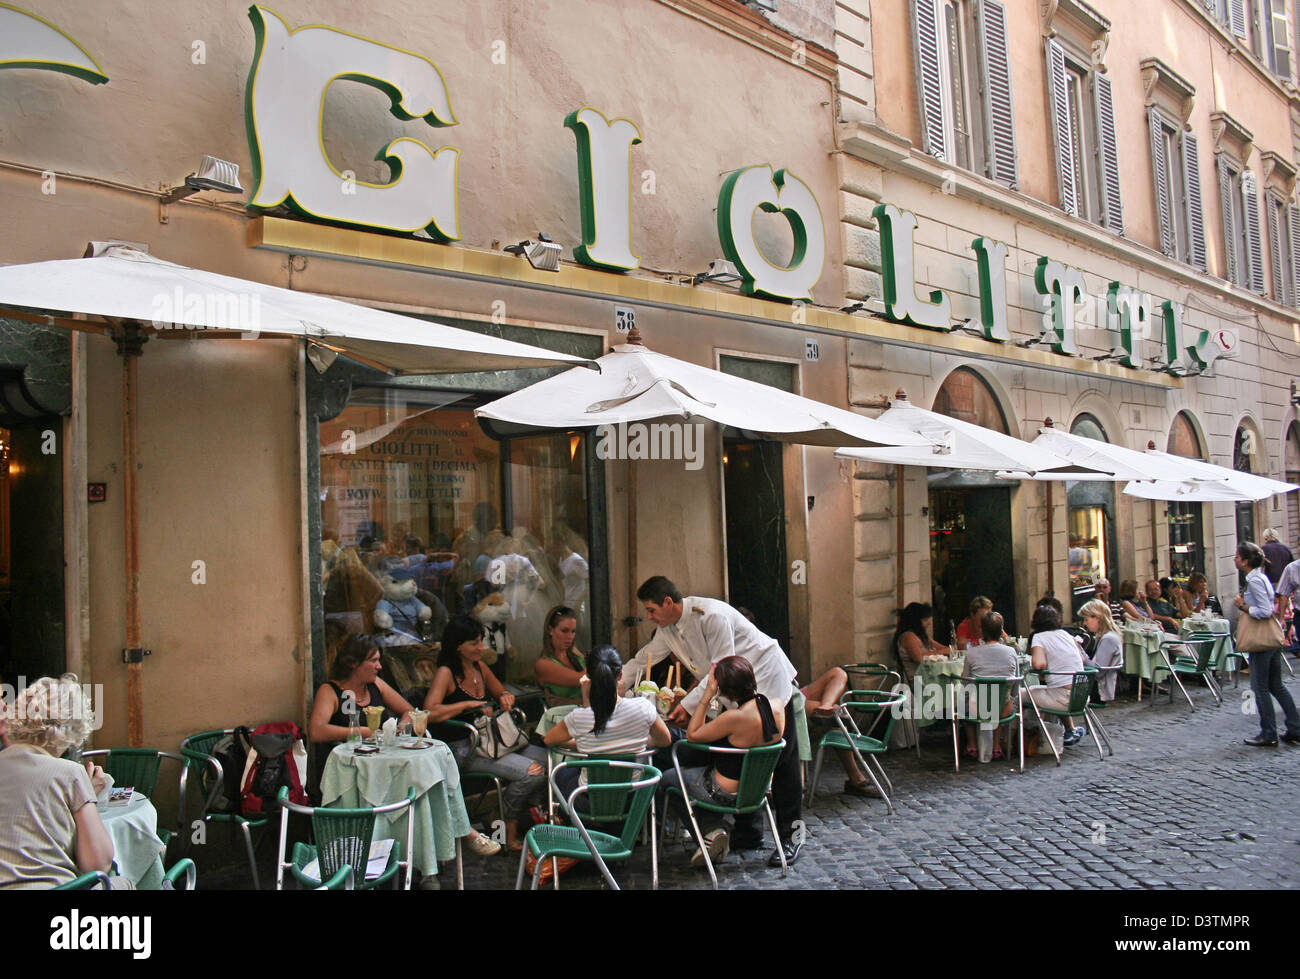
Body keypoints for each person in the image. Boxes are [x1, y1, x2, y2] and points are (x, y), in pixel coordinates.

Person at [621, 576, 804, 867]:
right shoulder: (667, 628)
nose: (648, 617)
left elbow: (721, 663)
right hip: (734, 690)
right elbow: (647, 656)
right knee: (736, 753)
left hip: (767, 680)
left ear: (669, 603)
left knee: (780, 759)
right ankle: (748, 832)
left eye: (651, 610)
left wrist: (690, 704)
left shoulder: (711, 616)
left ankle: (791, 838)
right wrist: (621, 681)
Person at [425, 615, 549, 850]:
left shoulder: (479, 667)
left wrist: (505, 697)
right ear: (457, 645)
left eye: (481, 641)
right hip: (463, 747)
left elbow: (500, 691)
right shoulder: (447, 673)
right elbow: (429, 711)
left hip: (491, 741)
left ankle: (498, 813)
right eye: (474, 643)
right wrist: (464, 706)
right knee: (533, 773)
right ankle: (506, 822)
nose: (480, 647)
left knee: (552, 761)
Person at [658, 657, 783, 869]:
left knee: (670, 778)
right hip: (757, 790)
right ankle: (713, 829)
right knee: (693, 772)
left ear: (724, 692)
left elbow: (693, 734)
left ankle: (710, 831)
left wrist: (706, 696)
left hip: (724, 793)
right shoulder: (777, 706)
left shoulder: (735, 717)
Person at [0, 675, 123, 889]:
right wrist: (86, 796)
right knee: (124, 881)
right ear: (73, 730)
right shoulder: (71, 773)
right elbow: (97, 864)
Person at [544, 645, 672, 802]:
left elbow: (549, 739)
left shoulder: (579, 717)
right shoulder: (643, 707)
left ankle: (564, 820)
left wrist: (583, 745)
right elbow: (664, 740)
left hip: (588, 803)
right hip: (632, 802)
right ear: (620, 676)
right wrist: (636, 742)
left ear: (588, 677)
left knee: (562, 773)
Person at [308, 632, 414, 776]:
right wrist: (363, 732)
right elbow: (316, 731)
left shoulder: (376, 684)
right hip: (347, 768)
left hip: (382, 763)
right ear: (353, 663)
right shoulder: (330, 691)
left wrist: (400, 728)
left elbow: (409, 711)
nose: (379, 667)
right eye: (373, 661)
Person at [1233, 542, 1300, 747]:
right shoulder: (1260, 577)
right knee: (1276, 685)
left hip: (1261, 639)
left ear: (1245, 561)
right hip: (1270, 639)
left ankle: (1269, 732)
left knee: (1260, 687)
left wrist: (1243, 606)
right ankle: (1295, 727)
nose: (1235, 559)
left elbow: (1263, 610)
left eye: (1237, 556)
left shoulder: (1254, 580)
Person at [800, 665, 885, 797]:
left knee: (838, 673)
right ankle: (855, 777)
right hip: (783, 700)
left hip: (794, 692)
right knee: (836, 715)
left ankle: (826, 706)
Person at [1023, 605, 1088, 754]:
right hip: (1081, 696)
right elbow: (1082, 659)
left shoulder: (1039, 637)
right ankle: (1066, 729)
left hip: (1062, 698)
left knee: (1018, 696)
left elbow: (1039, 664)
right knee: (1050, 690)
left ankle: (1019, 739)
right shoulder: (1067, 634)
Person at [960, 611, 1019, 759]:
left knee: (963, 701)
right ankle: (997, 746)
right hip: (1003, 709)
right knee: (1001, 698)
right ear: (1001, 631)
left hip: (978, 710)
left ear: (981, 630)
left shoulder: (971, 653)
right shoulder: (1011, 652)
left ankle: (972, 744)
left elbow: (965, 682)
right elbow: (1015, 683)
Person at [534, 605, 587, 707]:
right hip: (565, 717)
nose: (570, 637)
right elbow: (582, 679)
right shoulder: (543, 664)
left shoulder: (575, 656)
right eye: (564, 631)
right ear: (550, 630)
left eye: (573, 631)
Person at [893, 601, 951, 685]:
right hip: (920, 681)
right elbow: (919, 659)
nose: (929, 623)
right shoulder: (908, 637)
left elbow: (943, 648)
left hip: (931, 676)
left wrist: (949, 650)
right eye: (925, 620)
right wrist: (941, 652)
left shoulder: (922, 636)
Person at [1079, 599, 1123, 702]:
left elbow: (1098, 671)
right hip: (1096, 686)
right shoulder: (1107, 636)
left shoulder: (1108, 638)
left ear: (1097, 618)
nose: (1085, 623)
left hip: (1099, 690)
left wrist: (1080, 653)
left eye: (1086, 619)